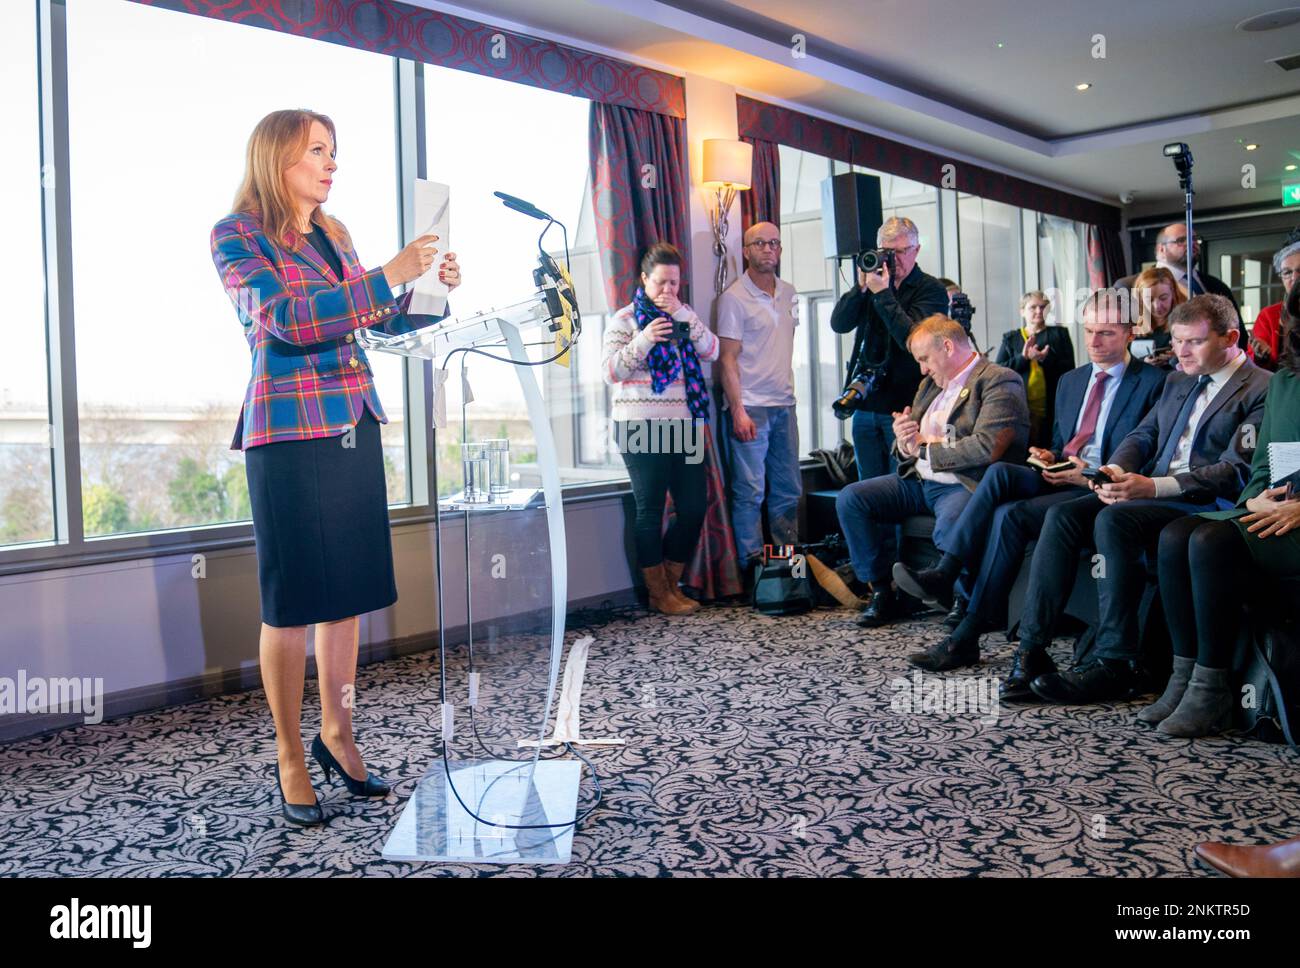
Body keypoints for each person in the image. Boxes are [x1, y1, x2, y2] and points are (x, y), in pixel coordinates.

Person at [210, 110, 462, 826]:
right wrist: (389, 274)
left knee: (344, 599)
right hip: (287, 433)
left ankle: (338, 733)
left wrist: (429, 292)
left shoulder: (336, 233)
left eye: (334, 152)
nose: (331, 163)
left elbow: (373, 322)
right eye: (317, 151)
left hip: (352, 423)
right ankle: (291, 752)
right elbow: (290, 318)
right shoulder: (237, 234)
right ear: (277, 155)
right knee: (292, 605)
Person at [895, 290, 1166, 681]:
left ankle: (963, 620)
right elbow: (1062, 441)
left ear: (1129, 333)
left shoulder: (1155, 382)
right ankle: (948, 572)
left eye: (1106, 333)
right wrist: (1049, 453)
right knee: (1002, 473)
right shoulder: (1072, 380)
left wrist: (1088, 470)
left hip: (1101, 482)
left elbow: (1146, 449)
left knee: (1009, 514)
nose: (1093, 341)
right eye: (1088, 331)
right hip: (1059, 474)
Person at [1021, 295, 1270, 704]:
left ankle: (1115, 664)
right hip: (1151, 491)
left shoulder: (1261, 387)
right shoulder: (1179, 378)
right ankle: (1030, 651)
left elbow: (1234, 472)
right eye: (1176, 341)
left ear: (1230, 338)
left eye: (1193, 342)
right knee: (1063, 516)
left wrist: (1152, 487)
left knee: (1115, 520)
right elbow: (1144, 435)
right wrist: (1117, 469)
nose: (1180, 352)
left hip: (1209, 504)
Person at [1145, 284, 1300, 737]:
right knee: (1175, 535)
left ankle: (1212, 691)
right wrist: (1253, 500)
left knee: (1212, 540)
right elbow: (1268, 463)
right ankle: (1185, 677)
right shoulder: (1288, 381)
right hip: (1276, 508)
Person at [834, 315, 1028, 638]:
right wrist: (904, 439)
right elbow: (912, 442)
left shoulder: (998, 380)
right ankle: (883, 592)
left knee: (953, 522)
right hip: (918, 480)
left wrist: (925, 449)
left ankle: (965, 604)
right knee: (851, 499)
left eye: (924, 359)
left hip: (964, 484)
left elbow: (986, 447)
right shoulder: (929, 385)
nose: (922, 369)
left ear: (948, 346)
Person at [602, 242, 719, 615]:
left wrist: (684, 314)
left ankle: (671, 584)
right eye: (660, 283)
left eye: (674, 283)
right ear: (643, 280)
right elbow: (610, 372)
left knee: (694, 508)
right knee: (649, 510)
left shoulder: (684, 315)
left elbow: (712, 350)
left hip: (683, 425)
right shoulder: (623, 320)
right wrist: (646, 338)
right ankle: (658, 593)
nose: (668, 291)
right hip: (640, 427)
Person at [828, 217, 949, 484]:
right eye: (887, 252)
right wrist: (860, 288)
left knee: (900, 487)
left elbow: (913, 340)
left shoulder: (931, 290)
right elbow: (839, 323)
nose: (892, 260)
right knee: (868, 488)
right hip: (867, 403)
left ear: (916, 250)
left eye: (900, 252)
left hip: (905, 408)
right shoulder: (873, 284)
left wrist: (883, 294)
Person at [717, 222, 802, 578]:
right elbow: (727, 359)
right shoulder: (733, 299)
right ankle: (752, 573)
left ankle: (786, 571)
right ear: (746, 251)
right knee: (750, 492)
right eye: (760, 243)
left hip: (785, 404)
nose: (768, 249)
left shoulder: (790, 292)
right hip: (749, 407)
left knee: (788, 491)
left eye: (774, 243)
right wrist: (738, 410)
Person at [1115, 222, 1245, 348]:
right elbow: (1114, 338)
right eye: (1181, 240)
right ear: (1161, 249)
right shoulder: (1126, 286)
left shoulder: (1216, 285)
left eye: (1194, 239)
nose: (1191, 244)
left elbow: (1238, 332)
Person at [994, 291, 1075, 448]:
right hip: (1019, 406)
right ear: (1022, 311)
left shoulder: (1060, 334)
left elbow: (1070, 370)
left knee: (1048, 449)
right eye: (1033, 307)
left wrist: (1044, 359)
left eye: (1043, 307)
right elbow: (999, 371)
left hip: (1052, 405)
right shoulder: (1011, 338)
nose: (1039, 311)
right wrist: (1023, 358)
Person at [1246, 229, 1300, 370]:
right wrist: (1262, 356)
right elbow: (1254, 368)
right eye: (1287, 272)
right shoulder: (1269, 316)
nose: (1294, 278)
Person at [1130, 265, 1186, 371]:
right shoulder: (1130, 327)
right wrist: (1143, 363)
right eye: (1149, 299)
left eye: (1163, 298)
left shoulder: (1186, 325)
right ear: (1140, 299)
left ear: (1173, 294)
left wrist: (1179, 358)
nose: (1157, 306)